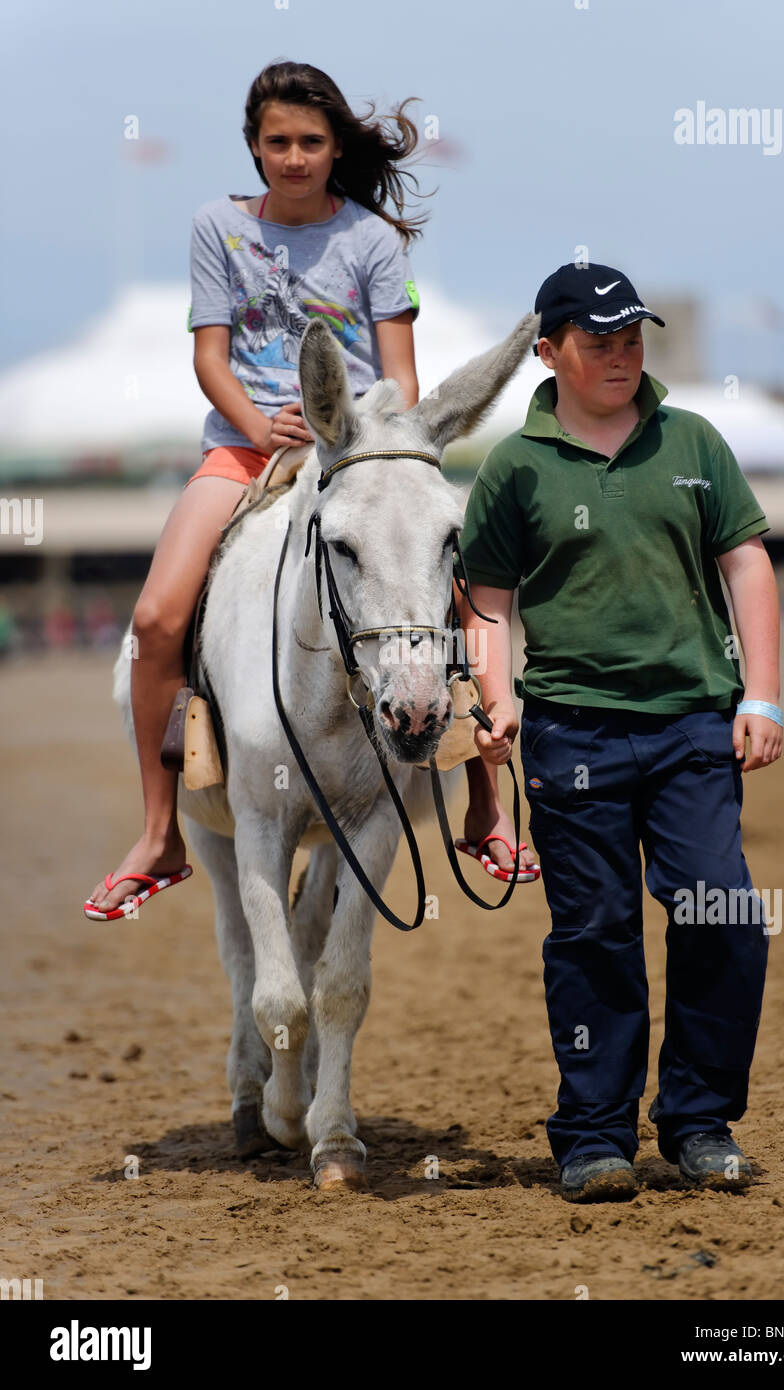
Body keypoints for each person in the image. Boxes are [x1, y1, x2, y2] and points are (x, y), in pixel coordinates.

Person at [85, 58, 534, 921]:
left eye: (311, 142)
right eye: (278, 142)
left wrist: (367, 440)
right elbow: (210, 358)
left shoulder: (373, 240)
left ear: (335, 149)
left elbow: (397, 379)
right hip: (245, 453)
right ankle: (159, 833)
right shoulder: (215, 226)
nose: (294, 157)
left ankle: (485, 806)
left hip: (359, 456)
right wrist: (262, 432)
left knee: (461, 601)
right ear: (254, 149)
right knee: (153, 621)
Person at [457, 262, 782, 1201]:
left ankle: (698, 1121)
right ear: (549, 349)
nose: (621, 357)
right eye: (598, 342)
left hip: (693, 727)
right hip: (572, 737)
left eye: (632, 339)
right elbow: (485, 603)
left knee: (723, 912)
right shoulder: (515, 467)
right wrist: (494, 696)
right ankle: (594, 1136)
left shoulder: (696, 441)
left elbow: (748, 564)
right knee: (595, 934)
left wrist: (760, 696)